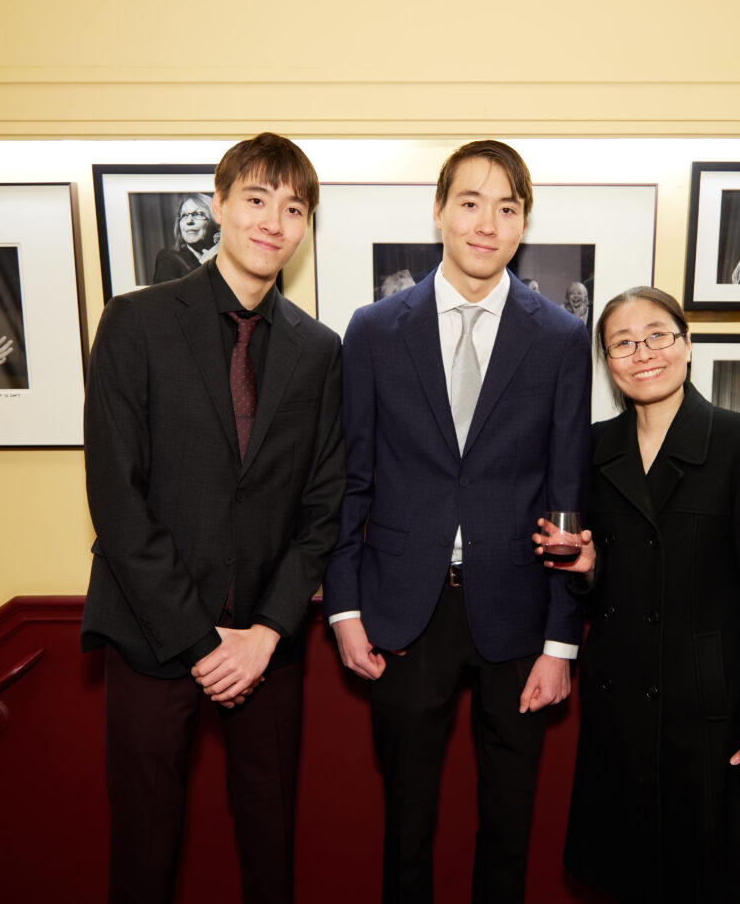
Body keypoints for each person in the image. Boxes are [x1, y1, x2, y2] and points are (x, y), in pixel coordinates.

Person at [324, 139, 592, 902]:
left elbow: (567, 488)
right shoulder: (375, 329)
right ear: (439, 211)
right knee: (406, 819)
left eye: (507, 208)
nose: (487, 223)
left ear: (522, 224)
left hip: (518, 611)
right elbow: (354, 476)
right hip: (405, 607)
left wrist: (561, 640)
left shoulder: (561, 339)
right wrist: (343, 607)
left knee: (509, 820)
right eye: (470, 203)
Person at [80, 133, 344, 904]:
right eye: (258, 199)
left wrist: (264, 634)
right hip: (155, 633)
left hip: (269, 642)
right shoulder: (135, 322)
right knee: (145, 849)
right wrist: (199, 642)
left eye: (294, 208)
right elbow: (116, 500)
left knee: (271, 849)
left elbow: (324, 505)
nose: (274, 221)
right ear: (221, 203)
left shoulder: (320, 349)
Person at [544, 286, 740, 903]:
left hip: (714, 713)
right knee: (626, 881)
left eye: (658, 335)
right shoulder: (592, 448)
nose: (643, 353)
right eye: (623, 343)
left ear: (687, 345)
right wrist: (586, 566)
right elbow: (605, 580)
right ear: (607, 362)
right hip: (620, 711)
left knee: (713, 882)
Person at [151, 193, 220, 284]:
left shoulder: (228, 261)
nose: (189, 221)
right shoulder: (169, 259)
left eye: (198, 214)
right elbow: (166, 296)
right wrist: (205, 264)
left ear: (215, 222)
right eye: (184, 215)